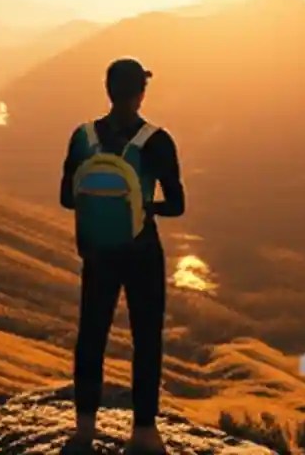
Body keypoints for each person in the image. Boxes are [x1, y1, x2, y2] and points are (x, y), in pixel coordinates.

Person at [60, 58, 185, 455]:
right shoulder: (156, 140)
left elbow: (67, 198)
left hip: (98, 252)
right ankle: (144, 433)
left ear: (108, 91)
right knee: (145, 338)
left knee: (91, 335)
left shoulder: (83, 138)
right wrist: (146, 206)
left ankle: (83, 431)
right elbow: (178, 205)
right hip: (142, 252)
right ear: (140, 93)